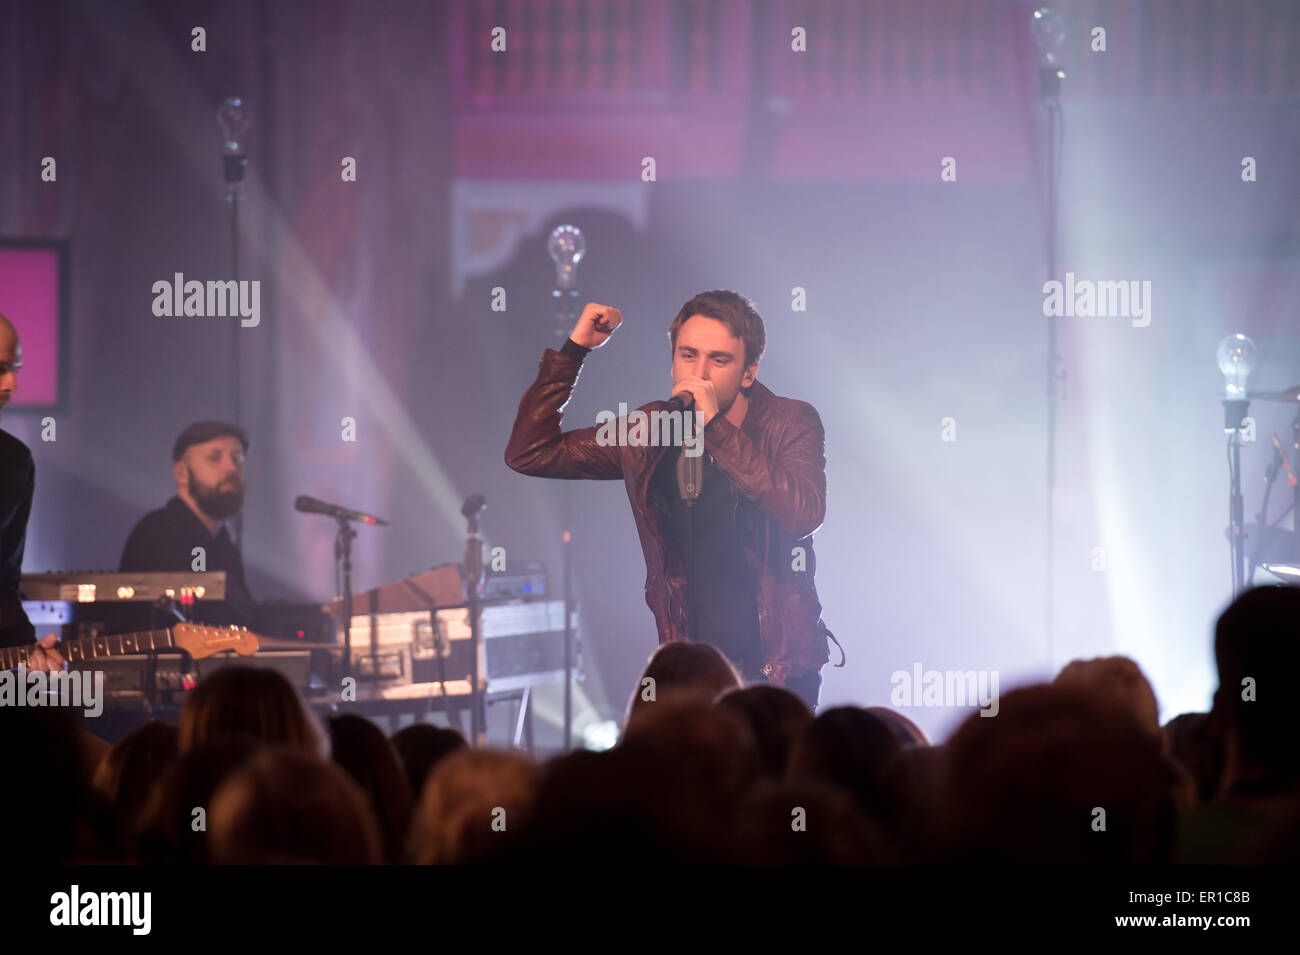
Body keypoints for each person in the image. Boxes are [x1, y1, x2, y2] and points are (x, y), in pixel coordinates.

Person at [505, 291, 840, 711]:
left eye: (718, 360)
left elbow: (803, 514)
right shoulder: (652, 431)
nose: (698, 373)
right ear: (672, 361)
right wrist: (574, 352)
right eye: (687, 355)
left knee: (774, 777)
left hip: (780, 668)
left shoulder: (790, 421)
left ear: (748, 372)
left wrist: (715, 426)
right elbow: (529, 451)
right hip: (694, 672)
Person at [119, 420, 257, 627]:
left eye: (237, 458)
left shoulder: (225, 546)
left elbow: (245, 618)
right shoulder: (159, 532)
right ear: (181, 473)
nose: (231, 468)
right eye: (215, 457)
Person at [0, 313, 62, 669]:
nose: (12, 384)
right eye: (0, 369)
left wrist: (28, 649)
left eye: (15, 369)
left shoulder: (15, 462)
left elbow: (5, 580)